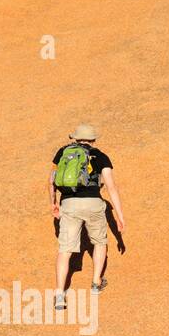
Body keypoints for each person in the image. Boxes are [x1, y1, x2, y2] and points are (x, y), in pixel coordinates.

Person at [48, 123, 125, 310]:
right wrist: (120, 216)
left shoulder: (63, 152)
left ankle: (59, 294)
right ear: (93, 139)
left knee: (65, 250)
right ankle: (96, 283)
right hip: (93, 204)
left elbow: (51, 180)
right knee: (99, 242)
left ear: (75, 138)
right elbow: (111, 187)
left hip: (69, 204)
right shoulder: (101, 156)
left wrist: (54, 203)